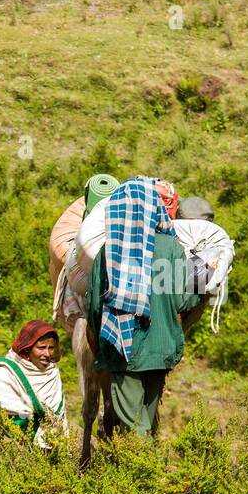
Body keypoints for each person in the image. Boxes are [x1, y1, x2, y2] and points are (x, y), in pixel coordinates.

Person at [87, 180, 204, 437]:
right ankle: (149, 471)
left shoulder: (109, 251)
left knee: (134, 428)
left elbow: (94, 308)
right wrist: (201, 270)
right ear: (154, 209)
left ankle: (142, 473)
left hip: (125, 352)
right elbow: (184, 302)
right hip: (161, 350)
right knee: (147, 423)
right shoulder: (171, 247)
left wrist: (105, 346)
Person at [0, 320, 68, 450]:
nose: (47, 354)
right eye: (41, 348)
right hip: (2, 447)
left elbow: (56, 415)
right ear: (27, 348)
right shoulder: (5, 373)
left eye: (51, 348)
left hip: (39, 452)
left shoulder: (52, 374)